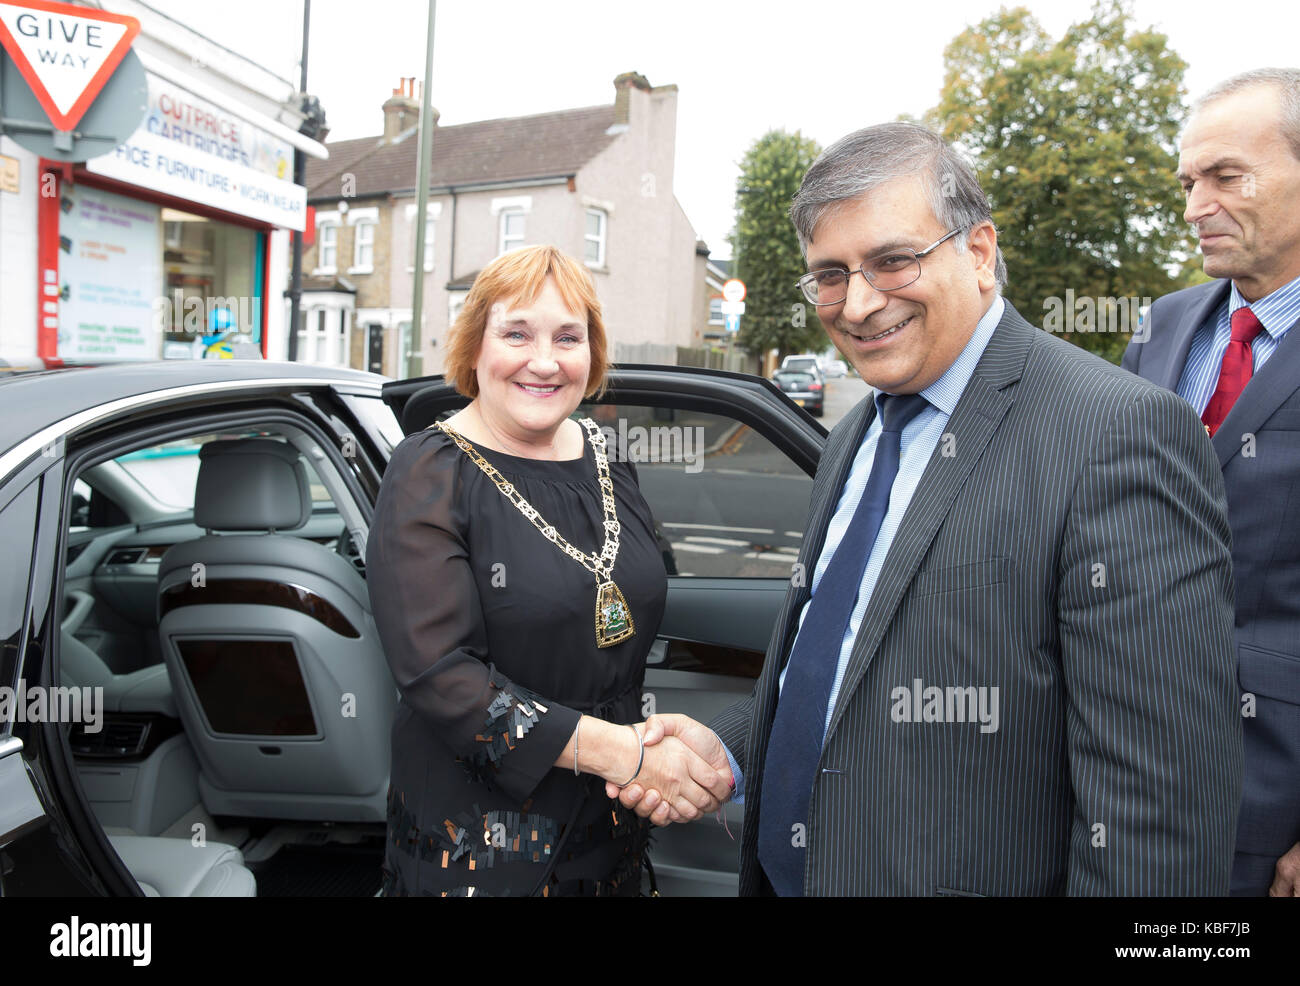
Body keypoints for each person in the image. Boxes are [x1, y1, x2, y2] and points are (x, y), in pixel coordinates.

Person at [613, 122, 1243, 895]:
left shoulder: (1113, 433)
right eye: (831, 275)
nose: (860, 302)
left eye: (892, 260)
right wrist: (733, 746)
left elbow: (1160, 811)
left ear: (978, 253)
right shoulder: (856, 432)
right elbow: (844, 664)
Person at [367, 245, 731, 896]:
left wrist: (645, 755)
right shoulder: (429, 471)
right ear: (475, 344)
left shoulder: (608, 457)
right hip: (483, 842)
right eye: (516, 333)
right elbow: (441, 677)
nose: (544, 360)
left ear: (591, 353)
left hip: (611, 818)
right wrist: (630, 755)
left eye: (569, 336)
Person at [1121, 68, 1300, 898]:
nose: (1195, 206)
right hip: (1116, 787)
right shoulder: (1162, 328)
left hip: (1268, 811)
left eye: (1225, 176)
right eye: (1189, 182)